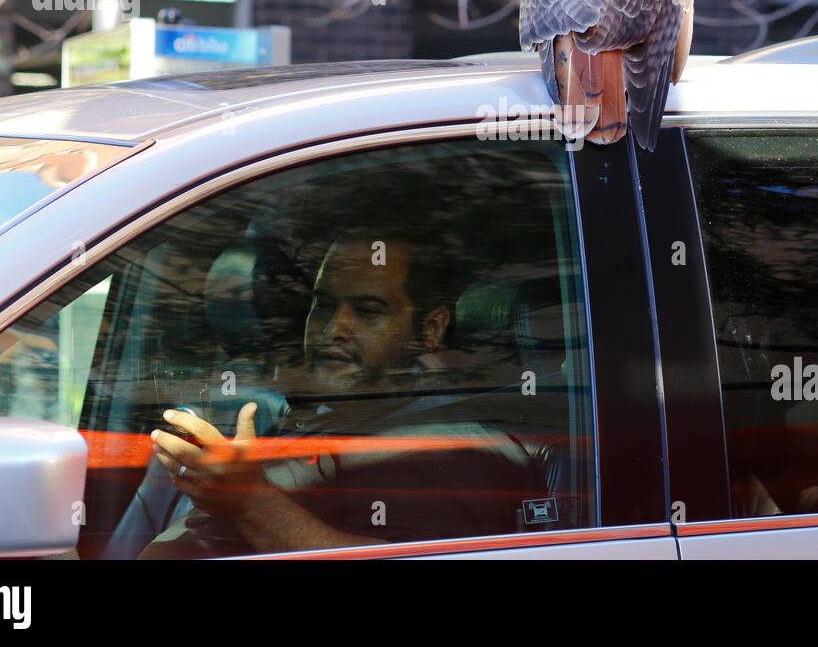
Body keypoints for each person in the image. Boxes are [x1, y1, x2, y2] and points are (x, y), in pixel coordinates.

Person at [137, 227, 535, 558]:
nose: (333, 328)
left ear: (430, 329)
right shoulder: (333, 418)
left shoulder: (449, 448)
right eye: (324, 306)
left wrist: (249, 501)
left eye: (368, 311)